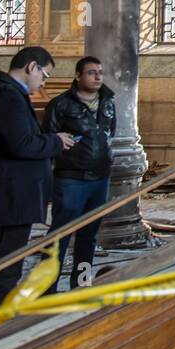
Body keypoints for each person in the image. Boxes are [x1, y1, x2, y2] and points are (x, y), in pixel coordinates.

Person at [0, 46, 76, 308]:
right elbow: (22, 144)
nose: (42, 83)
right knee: (3, 270)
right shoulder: (6, 96)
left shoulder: (9, 94)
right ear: (31, 67)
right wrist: (54, 141)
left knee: (5, 267)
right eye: (44, 75)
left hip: (11, 199)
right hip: (8, 200)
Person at [41, 57, 116, 292]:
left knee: (89, 235)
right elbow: (48, 139)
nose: (97, 77)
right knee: (59, 236)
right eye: (91, 72)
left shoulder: (108, 101)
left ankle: (82, 283)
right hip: (71, 178)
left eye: (100, 72)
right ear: (78, 76)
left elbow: (109, 133)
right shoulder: (61, 105)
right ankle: (46, 289)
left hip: (100, 178)